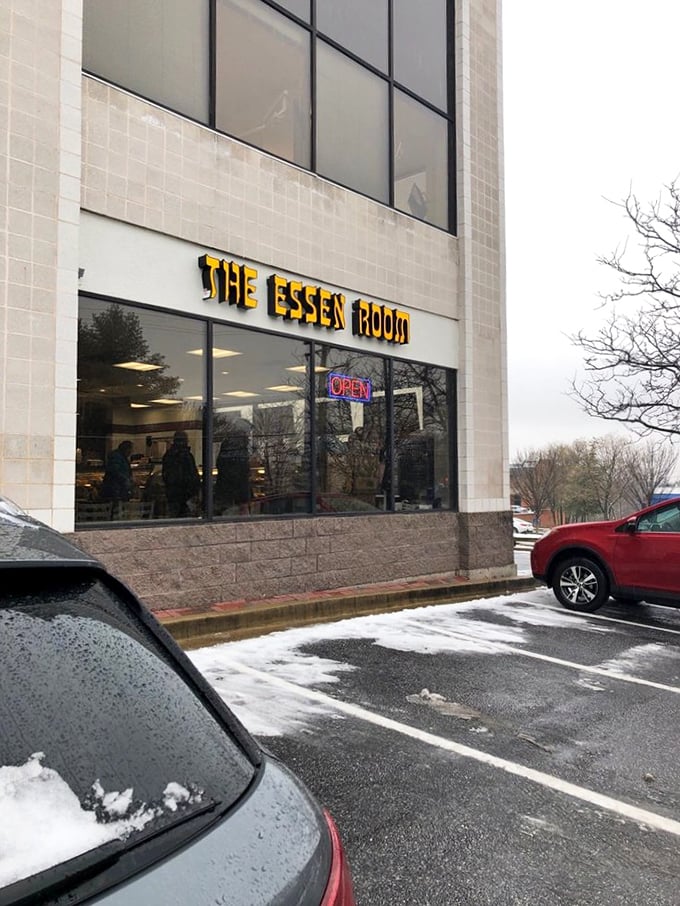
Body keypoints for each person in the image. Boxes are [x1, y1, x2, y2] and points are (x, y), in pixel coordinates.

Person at [162, 431, 201, 518]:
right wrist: (195, 490)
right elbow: (192, 475)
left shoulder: (168, 455)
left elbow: (165, 475)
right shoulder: (187, 456)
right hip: (186, 494)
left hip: (172, 494)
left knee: (173, 518)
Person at [214, 424, 250, 515]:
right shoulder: (241, 447)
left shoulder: (226, 444)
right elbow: (243, 471)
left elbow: (219, 464)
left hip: (225, 489)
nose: (249, 435)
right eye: (247, 432)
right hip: (238, 490)